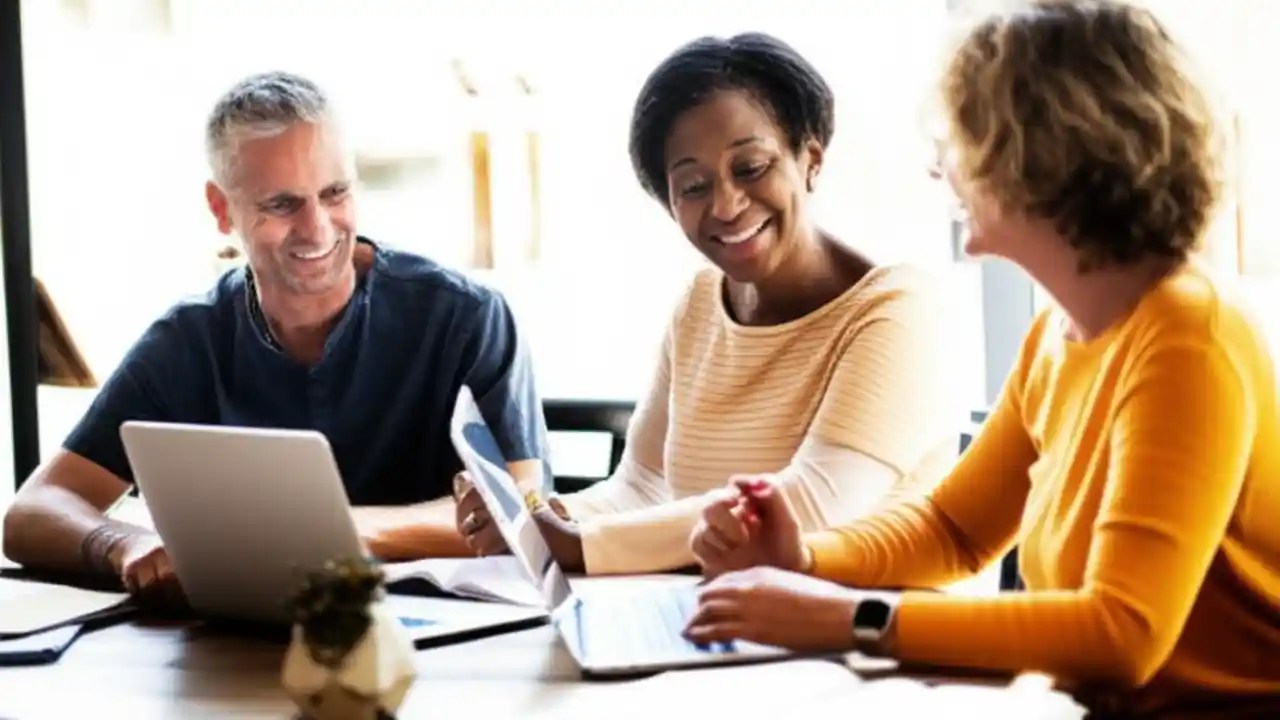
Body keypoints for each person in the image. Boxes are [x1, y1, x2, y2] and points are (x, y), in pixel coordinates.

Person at [685, 1, 1280, 716]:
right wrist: (804, 559)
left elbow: (1122, 633)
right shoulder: (1059, 335)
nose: (941, 171)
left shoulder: (1189, 335)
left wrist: (846, 618)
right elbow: (953, 531)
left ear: (1046, 153)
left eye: (961, 141)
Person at [2, 71, 549, 604]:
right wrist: (123, 544)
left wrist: (325, 535)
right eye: (282, 204)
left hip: (439, 636)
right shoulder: (188, 341)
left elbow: (523, 510)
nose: (317, 228)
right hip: (239, 638)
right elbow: (33, 510)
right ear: (221, 209)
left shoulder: (465, 317)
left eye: (334, 193)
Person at [455, 33, 955, 576]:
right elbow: (642, 487)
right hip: (723, 616)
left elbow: (815, 504)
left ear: (810, 159)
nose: (726, 205)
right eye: (693, 185)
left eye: (751, 167)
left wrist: (578, 544)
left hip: (867, 622)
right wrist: (538, 518)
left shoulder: (897, 311)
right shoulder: (699, 304)